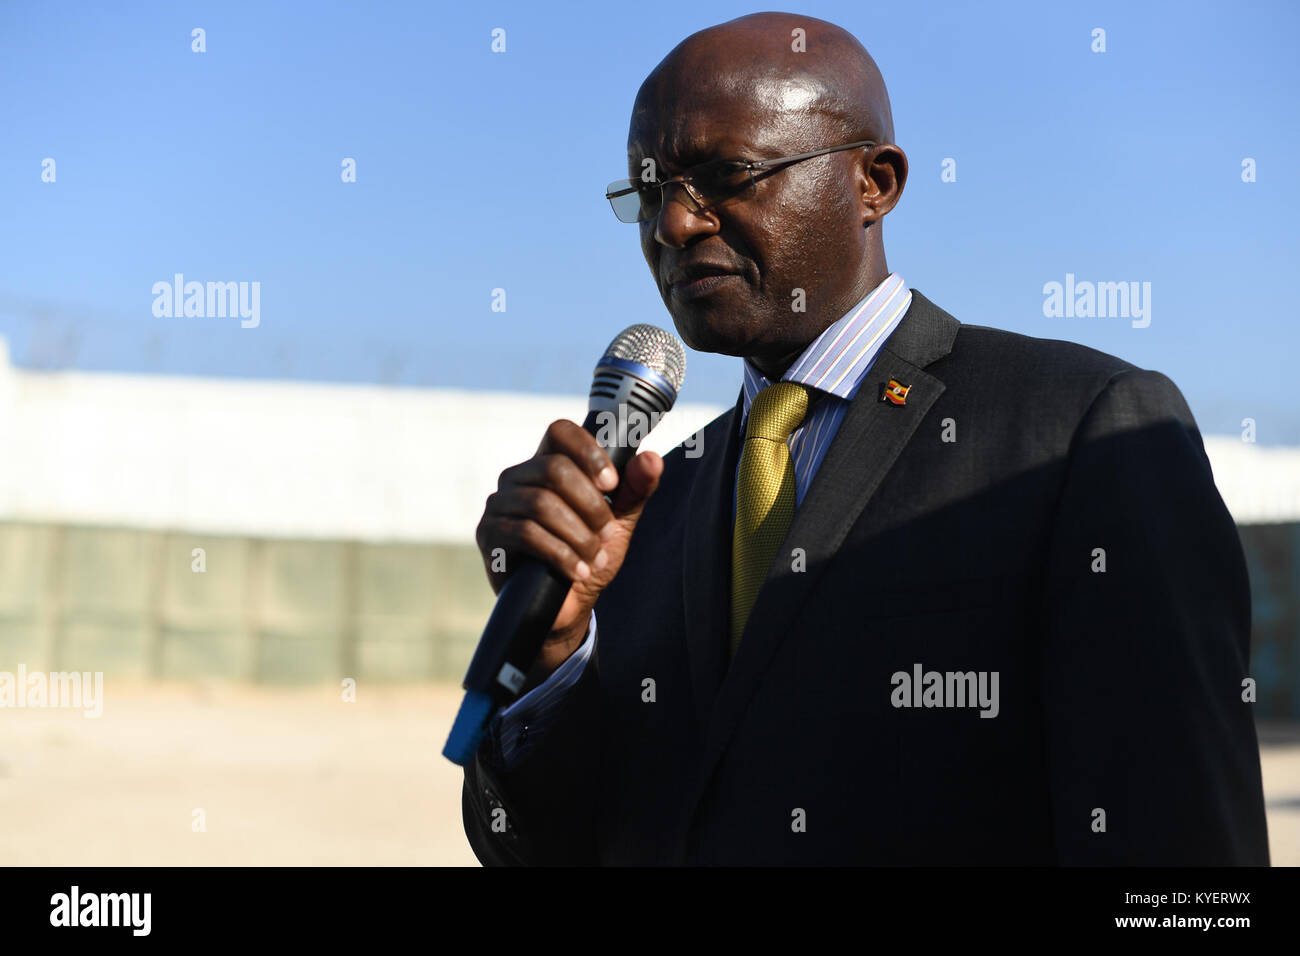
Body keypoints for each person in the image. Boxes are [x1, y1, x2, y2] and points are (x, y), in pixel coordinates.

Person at [461, 12, 1270, 865]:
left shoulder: (1079, 434)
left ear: (874, 183)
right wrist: (551, 657)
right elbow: (555, 847)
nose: (673, 225)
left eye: (725, 175)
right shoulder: (647, 502)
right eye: (650, 190)